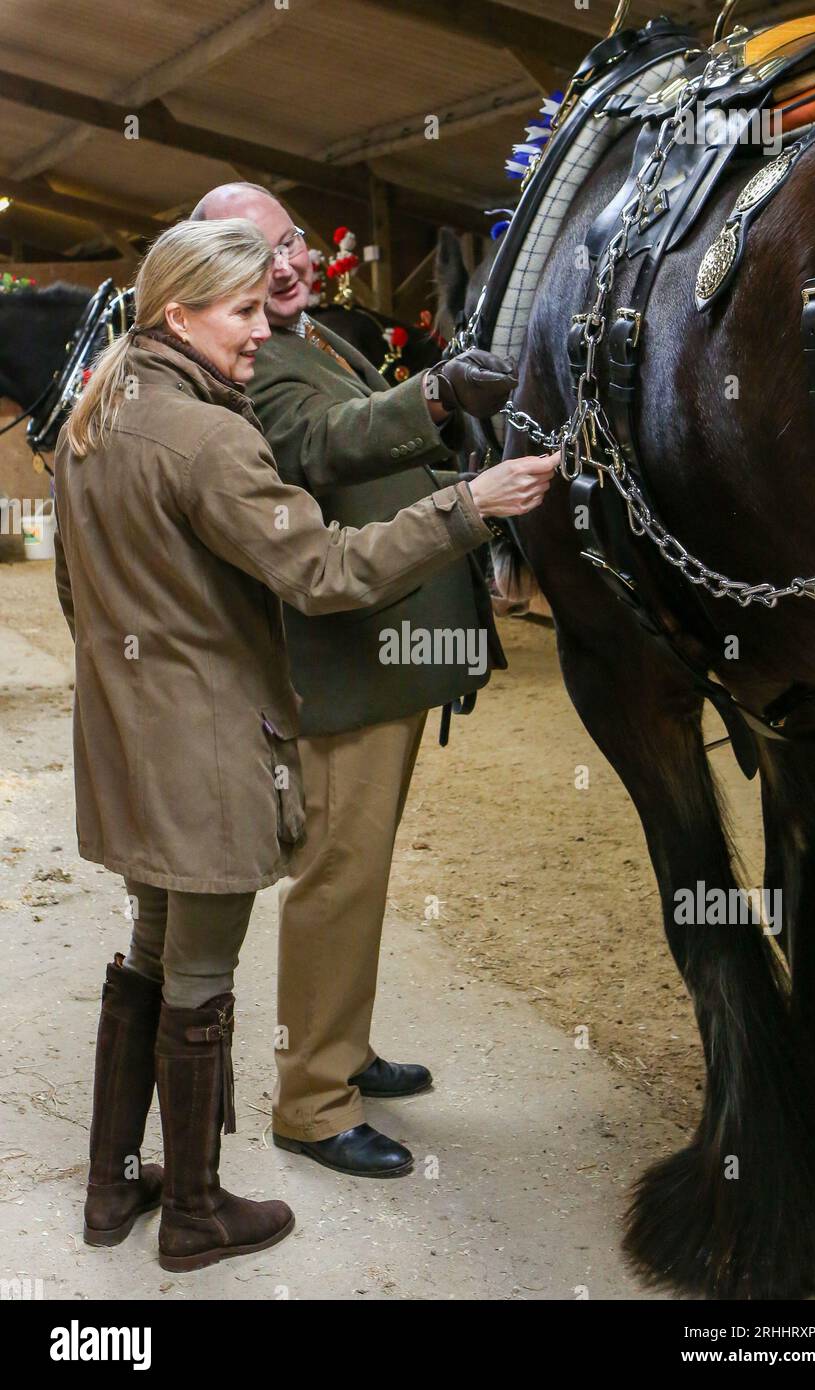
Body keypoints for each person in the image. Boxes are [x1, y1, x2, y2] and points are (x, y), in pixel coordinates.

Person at [53, 217, 557, 1271]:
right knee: (198, 971)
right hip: (203, 750)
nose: (255, 332)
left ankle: (111, 1188)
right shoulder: (209, 437)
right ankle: (194, 1211)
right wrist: (466, 507)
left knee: (145, 950)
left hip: (126, 739)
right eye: (238, 311)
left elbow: (74, 590)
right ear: (179, 312)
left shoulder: (102, 409)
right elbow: (324, 572)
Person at [190, 183, 519, 1176]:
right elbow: (319, 443)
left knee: (359, 872)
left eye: (288, 243)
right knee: (335, 878)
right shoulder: (254, 364)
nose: (284, 265)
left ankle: (342, 1045)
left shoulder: (315, 336)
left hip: (383, 660)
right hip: (343, 664)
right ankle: (312, 1102)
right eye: (257, 257)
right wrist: (434, 396)